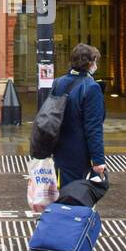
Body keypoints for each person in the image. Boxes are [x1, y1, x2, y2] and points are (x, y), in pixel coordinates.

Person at [49, 42, 107, 187]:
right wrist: (98, 160)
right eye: (95, 61)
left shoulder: (58, 82)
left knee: (63, 192)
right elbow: (93, 127)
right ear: (89, 63)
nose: (96, 65)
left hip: (59, 151)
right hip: (80, 154)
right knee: (78, 197)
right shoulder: (91, 88)